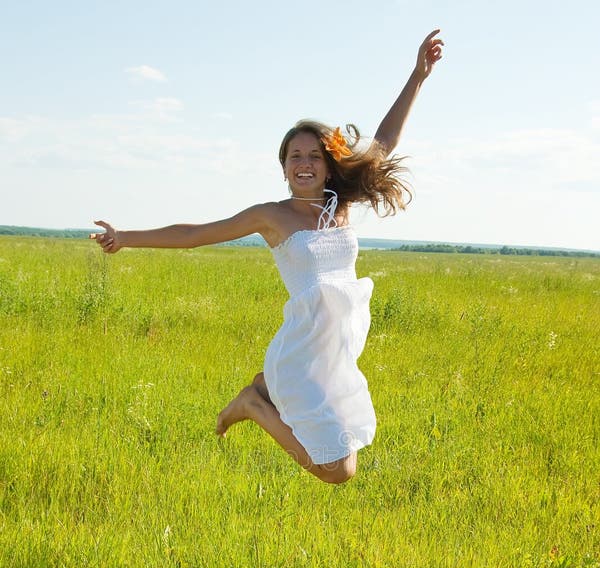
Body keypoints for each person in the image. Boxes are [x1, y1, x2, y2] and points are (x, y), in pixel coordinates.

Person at [91, 30, 443, 485]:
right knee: (338, 472)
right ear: (283, 168)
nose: (305, 163)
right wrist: (126, 237)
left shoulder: (341, 206)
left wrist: (417, 76)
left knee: (343, 455)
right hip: (301, 352)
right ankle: (253, 404)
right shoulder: (271, 216)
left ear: (329, 163)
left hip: (336, 351)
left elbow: (382, 143)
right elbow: (197, 234)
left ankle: (262, 389)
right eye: (295, 156)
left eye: (314, 155)